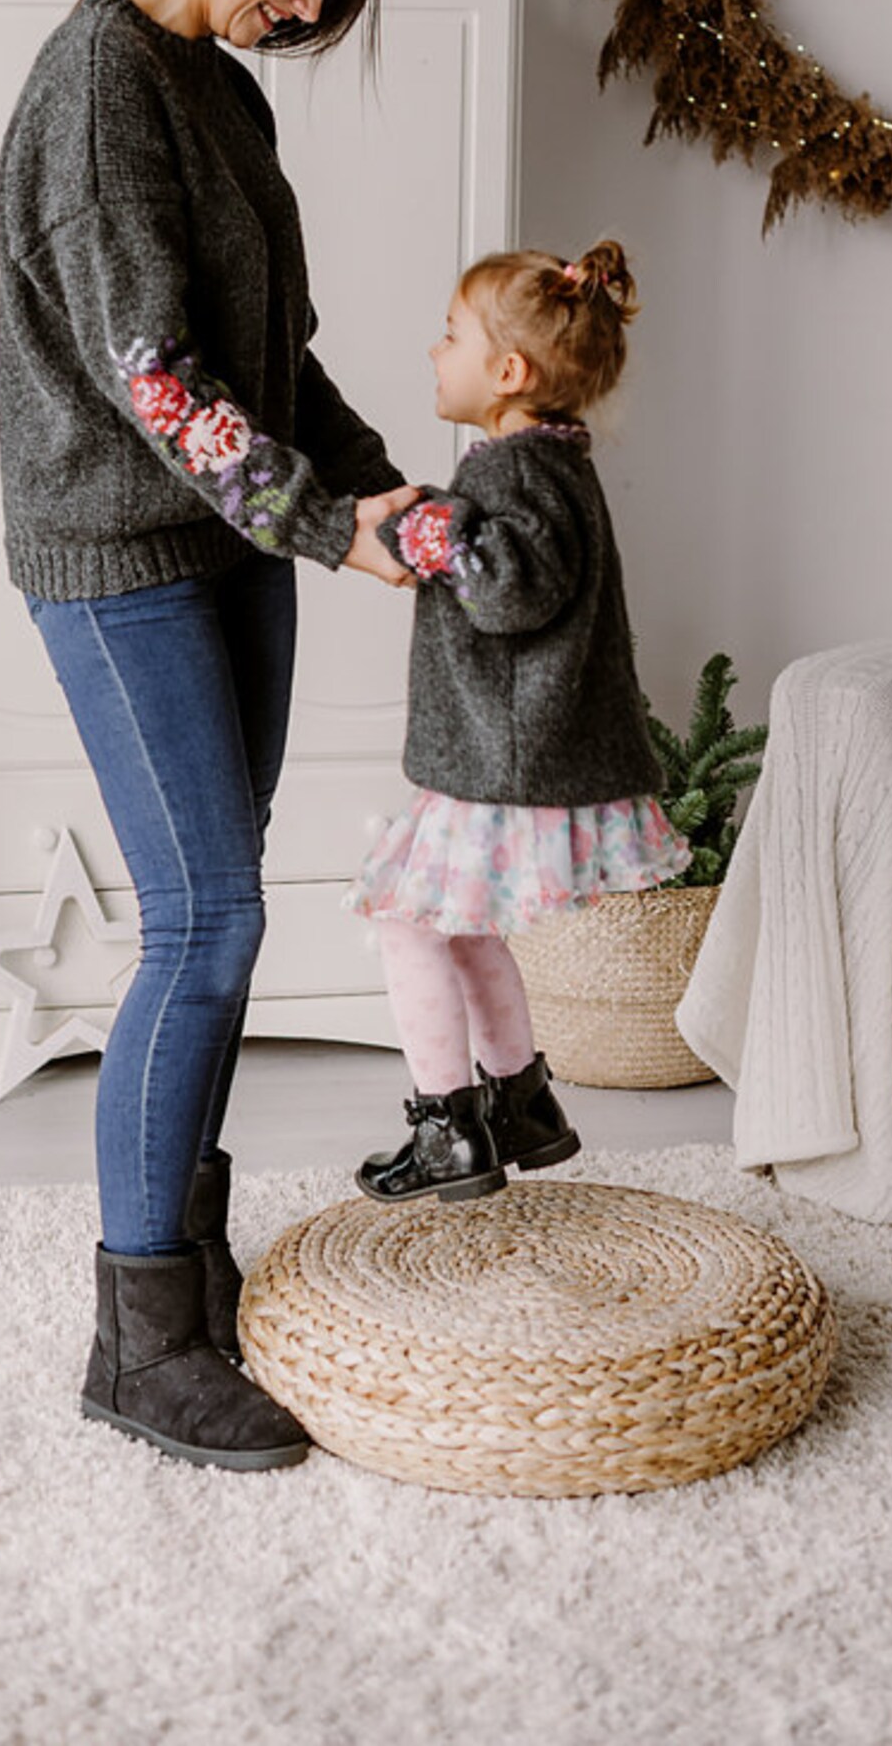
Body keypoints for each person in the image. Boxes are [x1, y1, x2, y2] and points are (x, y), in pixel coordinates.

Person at [0, 0, 417, 1472]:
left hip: (228, 546)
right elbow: (160, 380)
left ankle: (186, 1254)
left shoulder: (220, 93)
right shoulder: (100, 91)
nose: (306, 9)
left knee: (216, 907)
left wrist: (381, 494)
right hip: (121, 558)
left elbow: (273, 360)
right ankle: (137, 1334)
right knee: (206, 922)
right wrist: (321, 518)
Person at [347, 240, 690, 1202]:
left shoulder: (514, 473)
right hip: (515, 750)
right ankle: (521, 1106)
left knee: (406, 918)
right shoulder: (546, 464)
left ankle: (448, 1126)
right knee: (461, 928)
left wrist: (431, 528)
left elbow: (505, 592)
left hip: (504, 758)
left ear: (508, 374)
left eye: (450, 336)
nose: (432, 352)